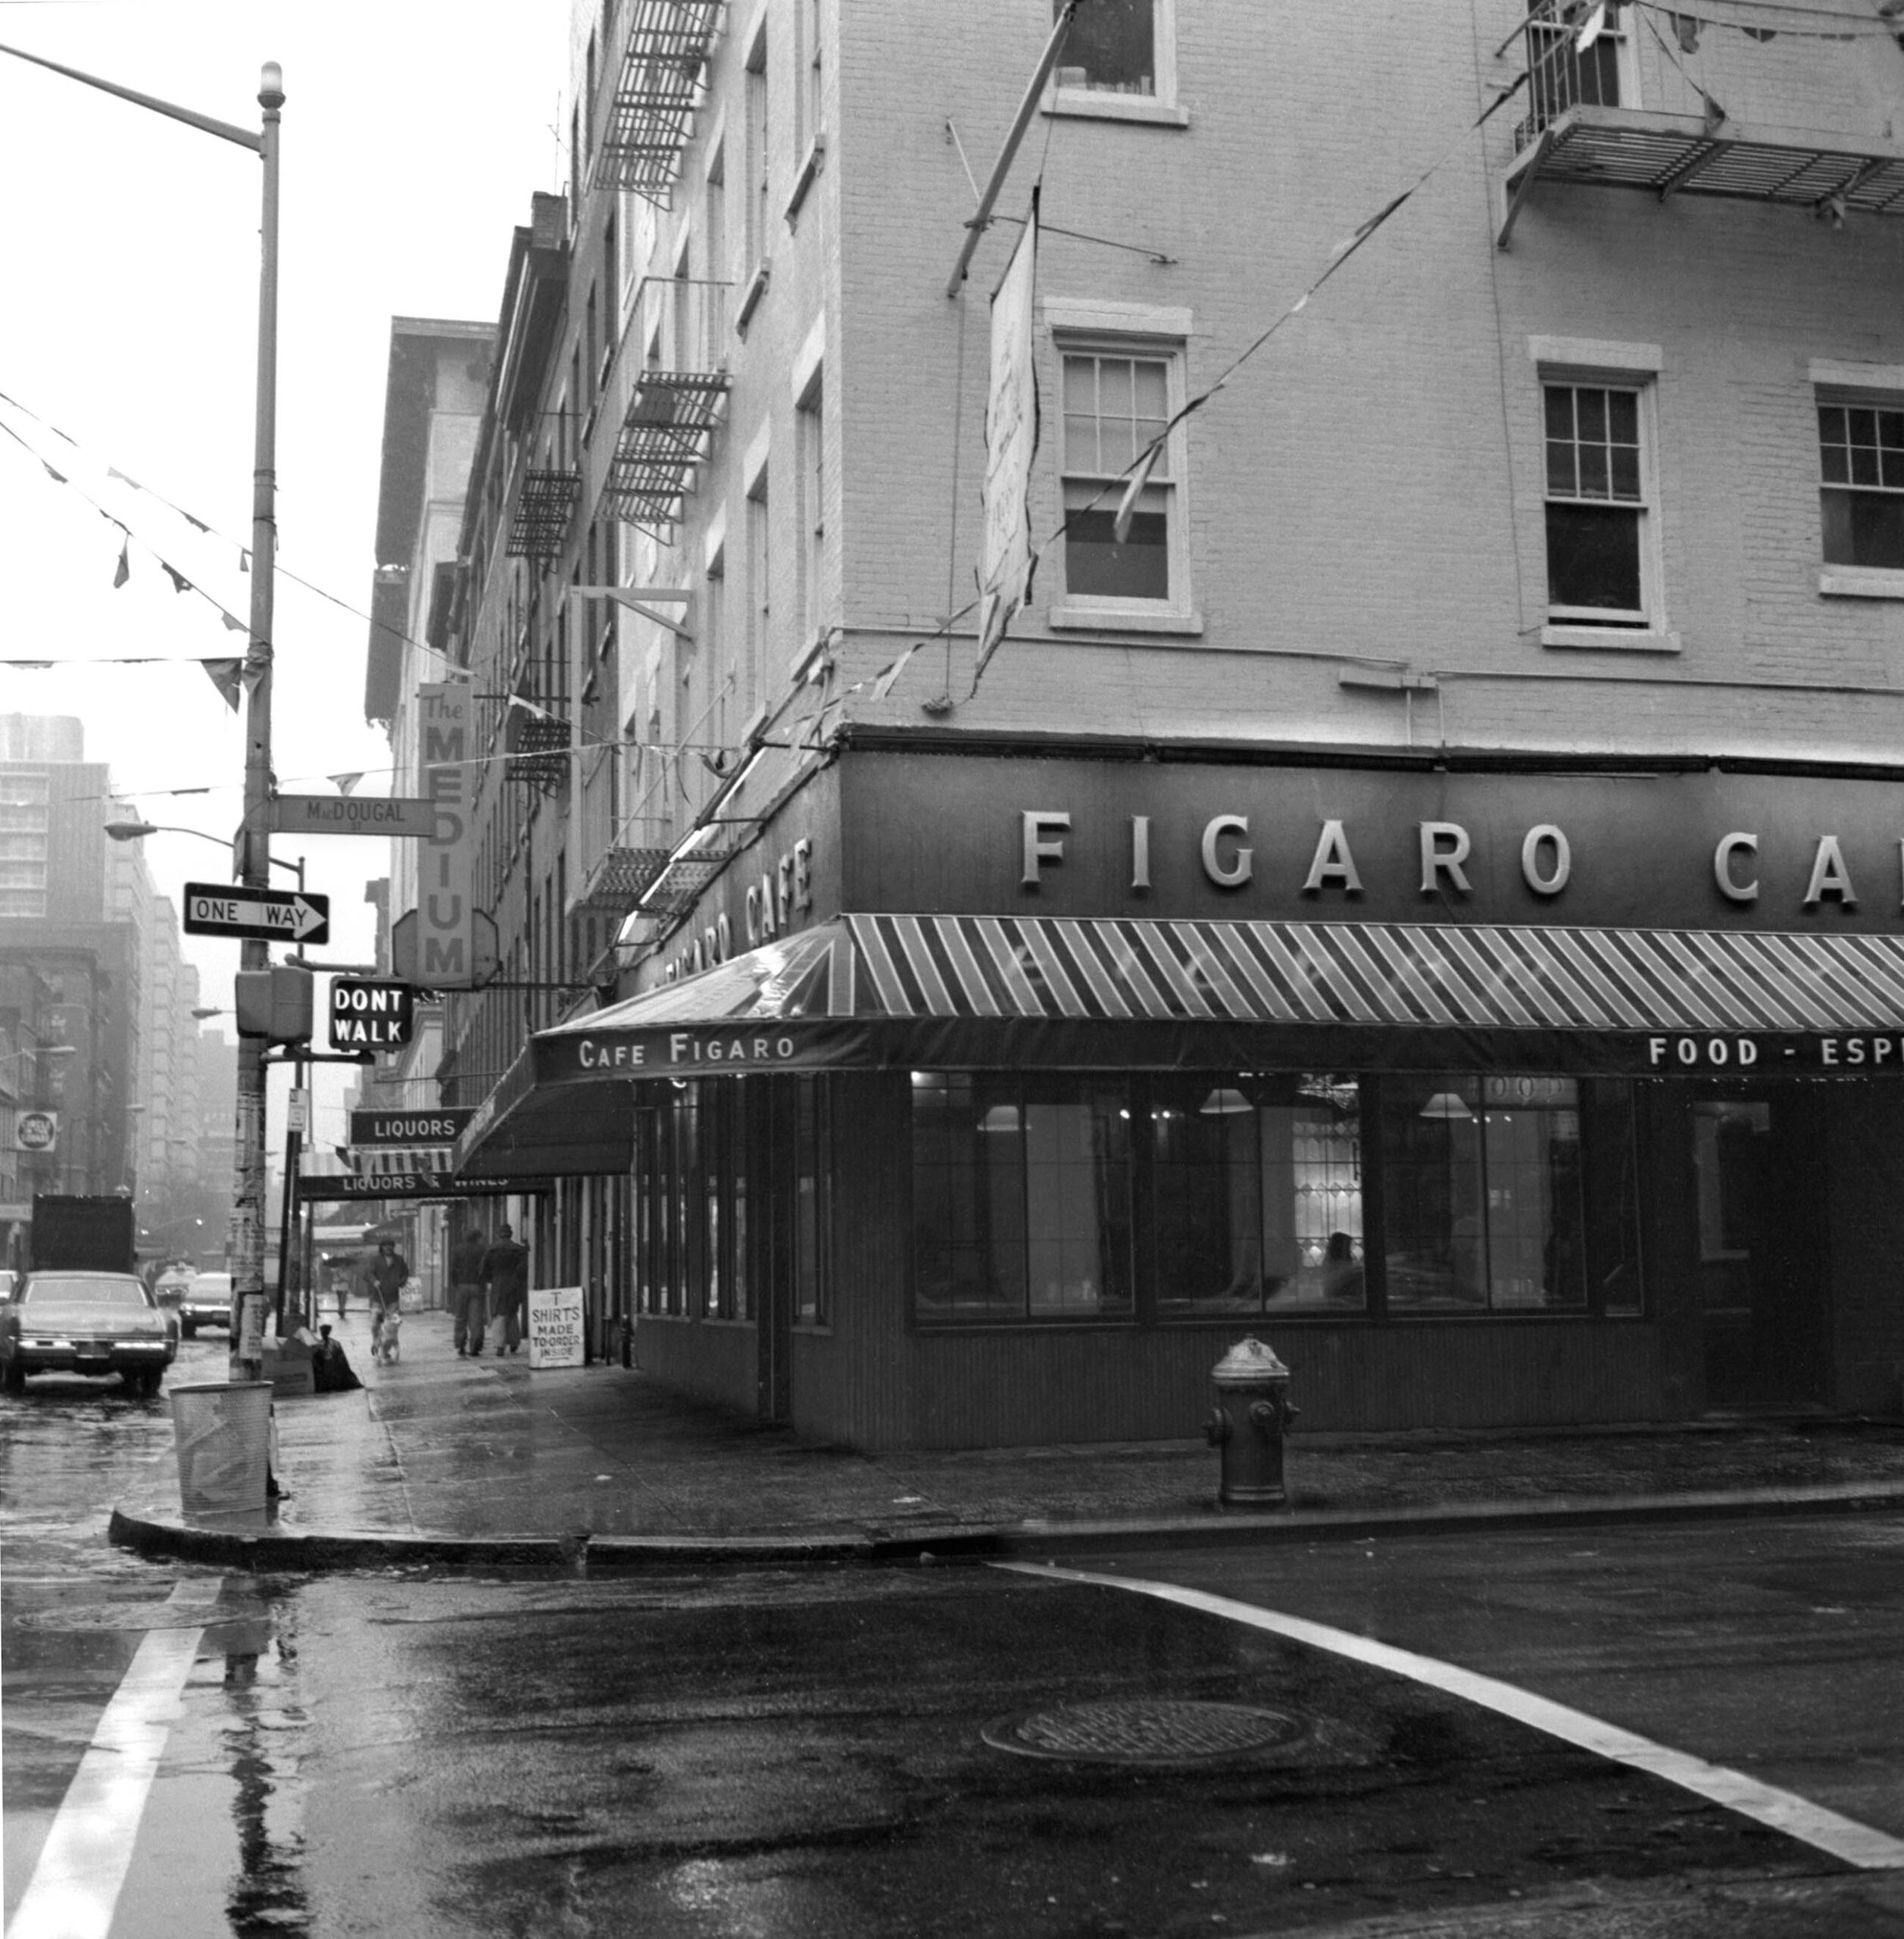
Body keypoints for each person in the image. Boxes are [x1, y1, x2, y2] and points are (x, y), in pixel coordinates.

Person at [478, 1223, 529, 1357]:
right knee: (512, 1313)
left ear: (498, 1234)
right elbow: (524, 1270)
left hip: (498, 1284)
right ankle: (514, 1343)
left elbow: (483, 1271)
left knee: (499, 1314)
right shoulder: (518, 1250)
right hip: (514, 1284)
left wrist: (491, 1280)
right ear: (510, 1235)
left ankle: (500, 1346)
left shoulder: (491, 1250)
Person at [364, 1240, 409, 1358]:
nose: (388, 1248)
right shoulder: (375, 1260)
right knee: (375, 1323)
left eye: (390, 1245)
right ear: (382, 1247)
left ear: (393, 1247)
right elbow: (368, 1273)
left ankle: (386, 1350)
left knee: (392, 1327)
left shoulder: (399, 1260)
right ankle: (376, 1341)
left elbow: (405, 1273)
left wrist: (401, 1282)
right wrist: (374, 1281)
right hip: (378, 1297)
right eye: (385, 1246)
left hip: (393, 1298)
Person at [449, 1224, 488, 1357]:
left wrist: (456, 1284)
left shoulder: (457, 1249)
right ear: (477, 1238)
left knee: (461, 1317)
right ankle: (475, 1347)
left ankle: (460, 1345)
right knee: (476, 1319)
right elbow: (485, 1269)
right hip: (477, 1287)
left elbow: (453, 1269)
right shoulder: (482, 1250)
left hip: (461, 1286)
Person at [310, 1323, 362, 1394]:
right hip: (327, 1364)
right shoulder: (324, 1343)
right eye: (322, 1332)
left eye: (324, 1332)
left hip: (331, 1364)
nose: (323, 1334)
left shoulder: (332, 1343)